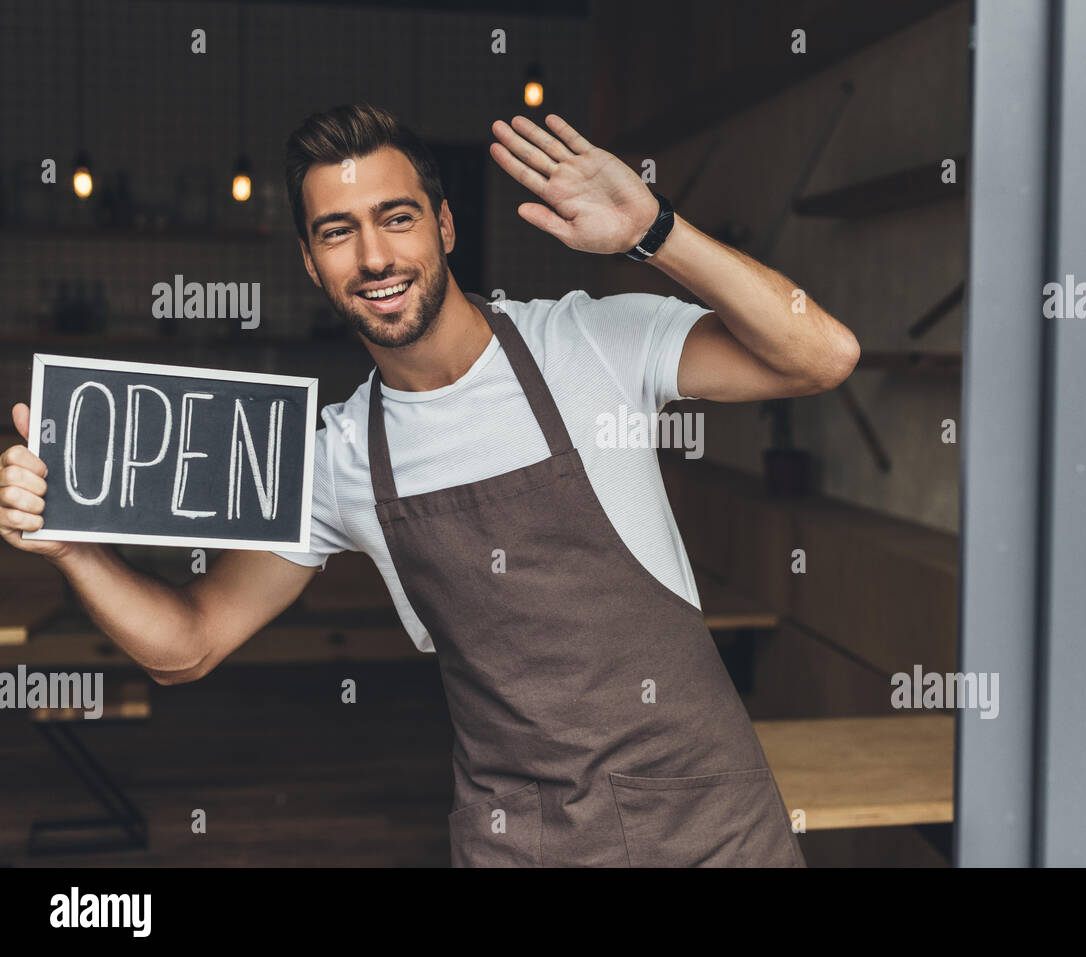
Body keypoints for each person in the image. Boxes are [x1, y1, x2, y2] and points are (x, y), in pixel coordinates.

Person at [1, 103, 859, 867]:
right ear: (310, 262)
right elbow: (187, 643)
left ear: (445, 225)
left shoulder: (587, 343)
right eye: (337, 231)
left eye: (396, 217)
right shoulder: (335, 459)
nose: (374, 256)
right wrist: (73, 547)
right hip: (522, 844)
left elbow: (823, 355)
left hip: (714, 829)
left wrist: (656, 230)